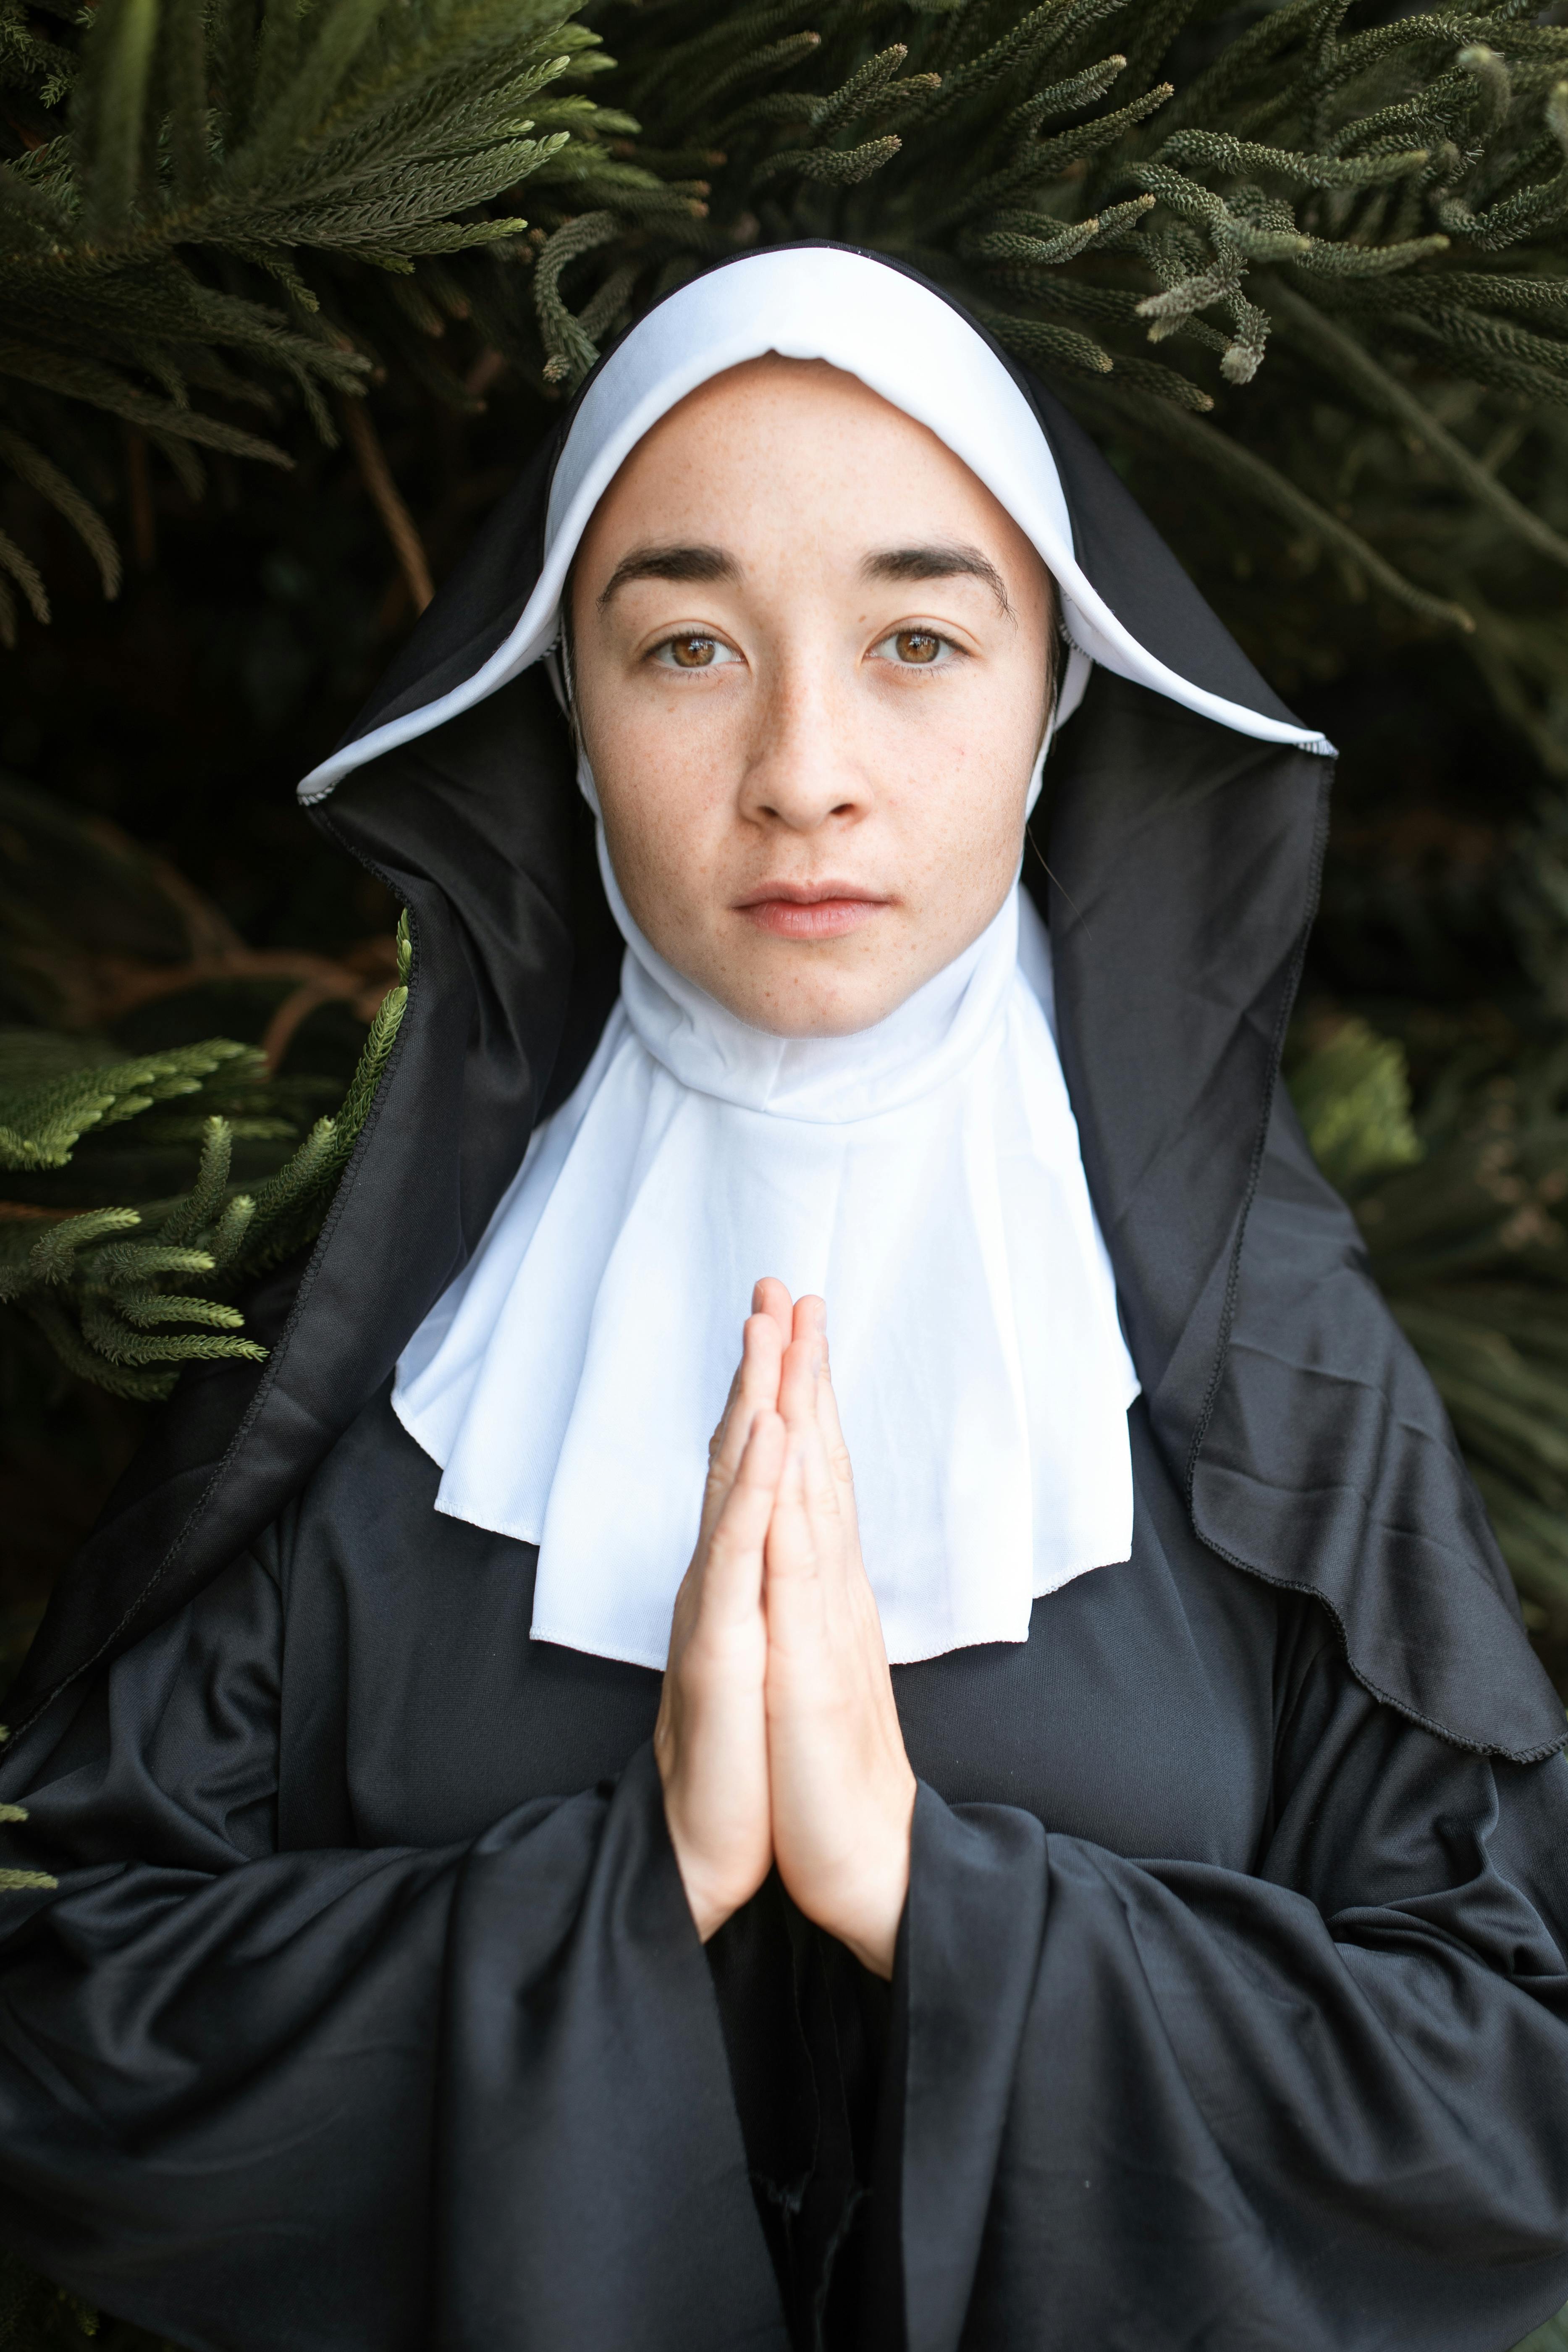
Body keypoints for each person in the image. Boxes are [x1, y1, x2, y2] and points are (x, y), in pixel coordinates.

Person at [1, 244, 1566, 2352]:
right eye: (686, 649)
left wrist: (936, 1901)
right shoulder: (377, 1361)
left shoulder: (1267, 1369)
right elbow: (70, 2025)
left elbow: (1504, 2102)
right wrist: (624, 1894)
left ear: (1056, 706)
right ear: (562, 708)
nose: (804, 767)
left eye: (919, 638)